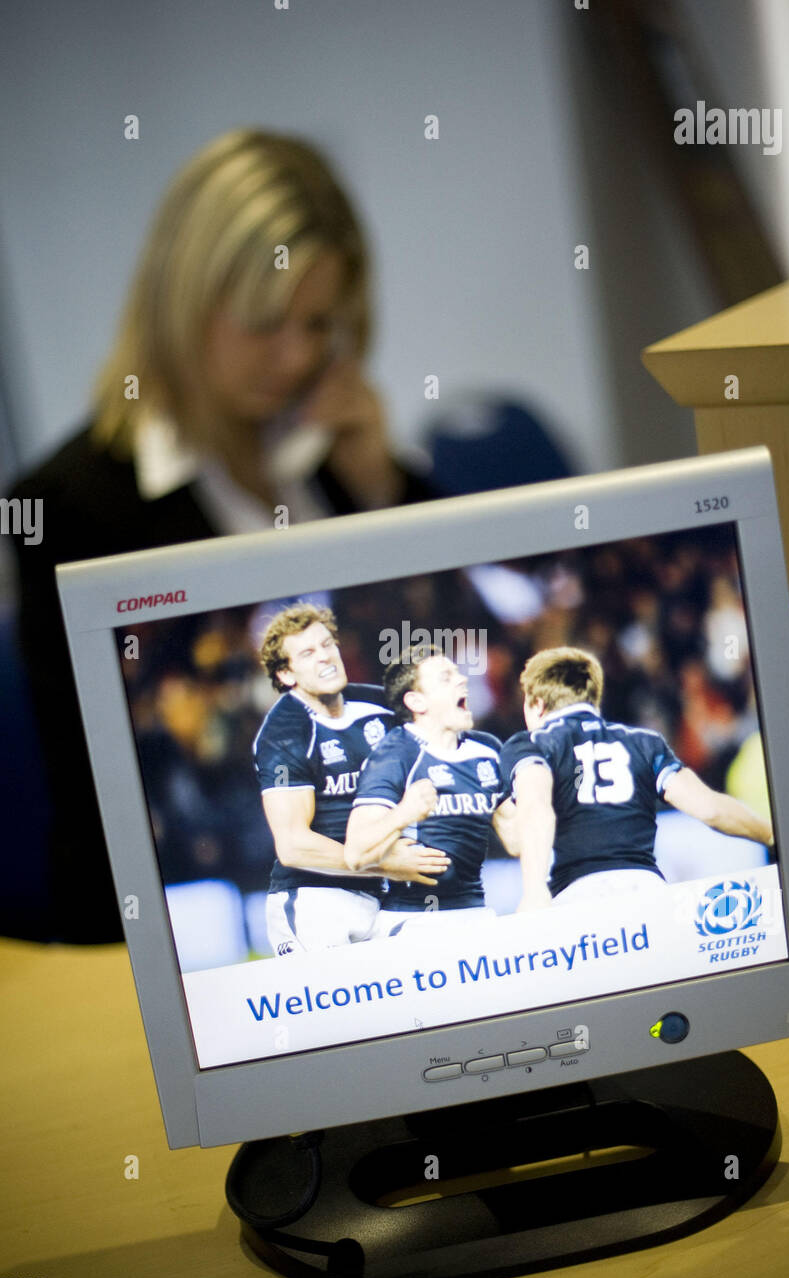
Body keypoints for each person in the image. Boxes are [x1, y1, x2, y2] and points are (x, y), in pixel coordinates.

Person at [9, 129, 434, 942]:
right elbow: (101, 810)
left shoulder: (337, 455)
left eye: (318, 325)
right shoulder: (72, 508)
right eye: (265, 320)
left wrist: (384, 488)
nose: (295, 355)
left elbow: (452, 643)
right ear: (186, 297)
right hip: (197, 919)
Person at [501, 647, 774, 913]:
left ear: (536, 703)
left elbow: (536, 808)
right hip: (647, 892)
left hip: (577, 899)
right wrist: (771, 833)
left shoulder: (530, 745)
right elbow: (710, 809)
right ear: (593, 697)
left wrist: (534, 891)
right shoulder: (644, 742)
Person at [255, 605, 448, 954]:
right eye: (308, 653)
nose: (326, 657)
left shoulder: (379, 705)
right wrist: (384, 862)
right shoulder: (284, 733)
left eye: (328, 645)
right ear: (286, 674)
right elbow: (293, 845)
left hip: (387, 892)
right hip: (317, 897)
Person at [344, 644, 518, 935]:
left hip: (476, 913)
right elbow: (355, 853)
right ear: (417, 701)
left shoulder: (485, 751)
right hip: (414, 922)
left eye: (457, 674)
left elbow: (517, 838)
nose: (462, 679)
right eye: (445, 677)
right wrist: (403, 813)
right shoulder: (395, 755)